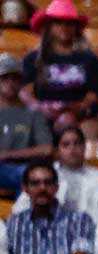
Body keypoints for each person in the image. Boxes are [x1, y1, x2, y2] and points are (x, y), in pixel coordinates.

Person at [21, 0, 98, 138]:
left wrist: (77, 108)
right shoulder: (33, 59)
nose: (64, 27)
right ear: (49, 26)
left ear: (76, 27)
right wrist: (40, 108)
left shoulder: (89, 59)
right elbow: (26, 93)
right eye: (58, 22)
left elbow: (93, 95)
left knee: (69, 121)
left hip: (78, 117)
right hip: (42, 116)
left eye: (69, 23)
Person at [11, 124, 98, 227]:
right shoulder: (45, 175)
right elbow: (18, 209)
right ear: (57, 150)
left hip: (88, 229)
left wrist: (80, 221)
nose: (72, 149)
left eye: (77, 144)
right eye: (66, 145)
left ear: (84, 147)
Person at [0, 53, 51, 192]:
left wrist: (8, 154)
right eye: (5, 78)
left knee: (29, 175)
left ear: (21, 82)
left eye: (15, 78)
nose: (10, 83)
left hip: (22, 167)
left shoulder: (33, 113)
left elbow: (46, 149)